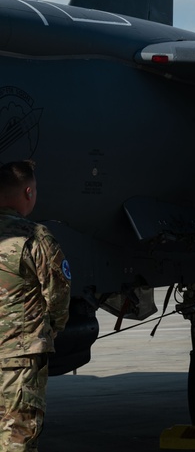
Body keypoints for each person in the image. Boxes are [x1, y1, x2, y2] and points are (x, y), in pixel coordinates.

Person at [0, 160, 71, 452]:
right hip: (20, 358)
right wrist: (50, 331)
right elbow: (58, 294)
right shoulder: (34, 237)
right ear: (28, 192)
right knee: (17, 439)